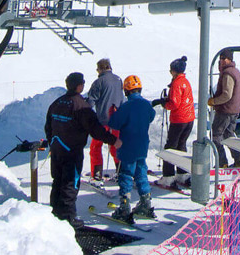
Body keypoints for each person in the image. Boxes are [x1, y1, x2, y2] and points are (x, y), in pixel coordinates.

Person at [44, 71, 122, 227]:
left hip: (57, 148)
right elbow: (95, 129)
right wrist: (113, 140)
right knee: (70, 183)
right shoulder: (81, 106)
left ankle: (55, 212)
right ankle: (68, 217)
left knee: (57, 181)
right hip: (71, 151)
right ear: (79, 86)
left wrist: (52, 142)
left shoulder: (56, 103)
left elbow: (48, 126)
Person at [108, 75, 157, 223]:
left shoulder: (126, 107)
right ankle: (146, 203)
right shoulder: (146, 105)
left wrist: (113, 113)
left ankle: (124, 206)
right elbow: (151, 116)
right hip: (142, 144)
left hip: (128, 144)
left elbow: (114, 123)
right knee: (141, 171)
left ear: (126, 91)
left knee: (126, 174)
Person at [152, 56, 194, 188]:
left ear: (175, 71)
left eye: (171, 70)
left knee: (170, 147)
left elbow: (175, 103)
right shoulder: (185, 81)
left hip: (179, 119)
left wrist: (165, 104)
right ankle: (183, 173)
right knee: (181, 145)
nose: (170, 72)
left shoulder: (176, 83)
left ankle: (168, 176)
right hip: (189, 118)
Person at [86, 57, 125, 180]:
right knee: (115, 145)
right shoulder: (118, 80)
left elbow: (91, 102)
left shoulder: (99, 82)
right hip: (117, 119)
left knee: (95, 147)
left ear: (100, 69)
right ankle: (121, 172)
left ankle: (97, 175)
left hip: (103, 120)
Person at [208, 49, 240, 169]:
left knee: (216, 135)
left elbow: (227, 95)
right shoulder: (234, 71)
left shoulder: (228, 73)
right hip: (233, 109)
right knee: (229, 135)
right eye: (221, 59)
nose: (222, 61)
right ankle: (239, 160)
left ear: (229, 60)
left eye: (224, 59)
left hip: (225, 110)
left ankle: (221, 162)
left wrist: (214, 101)